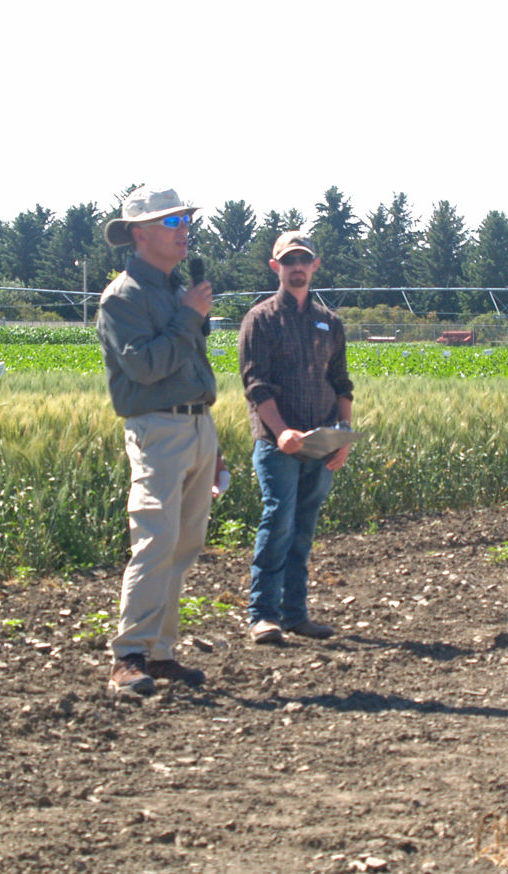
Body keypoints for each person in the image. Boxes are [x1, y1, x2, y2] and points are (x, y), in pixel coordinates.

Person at [97, 185, 223, 694]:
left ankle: (162, 653)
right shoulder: (123, 297)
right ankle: (128, 655)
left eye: (185, 220)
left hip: (195, 426)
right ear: (139, 233)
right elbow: (145, 367)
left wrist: (211, 443)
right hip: (157, 429)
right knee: (155, 539)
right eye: (173, 223)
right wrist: (190, 316)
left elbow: (191, 367)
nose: (184, 230)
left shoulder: (175, 292)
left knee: (185, 542)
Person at [238, 232, 354, 644]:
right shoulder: (261, 319)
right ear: (276, 267)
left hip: (321, 445)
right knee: (278, 521)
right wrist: (281, 429)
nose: (297, 267)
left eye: (304, 259)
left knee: (303, 528)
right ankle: (262, 615)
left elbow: (341, 382)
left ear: (315, 265)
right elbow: (256, 385)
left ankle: (295, 613)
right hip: (277, 446)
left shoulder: (330, 322)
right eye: (289, 261)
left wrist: (343, 436)